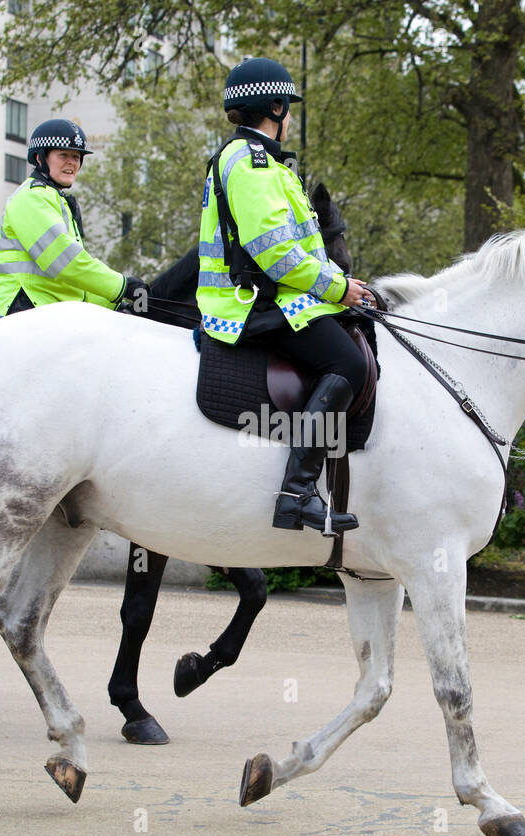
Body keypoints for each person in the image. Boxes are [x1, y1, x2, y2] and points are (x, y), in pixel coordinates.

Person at [198, 57, 373, 535]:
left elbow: (301, 248)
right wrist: (339, 287)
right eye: (287, 107)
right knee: (349, 365)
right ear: (273, 106)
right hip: (252, 302)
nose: (289, 116)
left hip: (276, 294)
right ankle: (296, 494)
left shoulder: (266, 163)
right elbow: (277, 255)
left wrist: (344, 292)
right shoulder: (252, 164)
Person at [0, 118, 148, 325]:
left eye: (76, 157)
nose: (72, 163)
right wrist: (122, 286)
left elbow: (73, 283)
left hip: (43, 308)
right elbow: (67, 263)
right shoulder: (31, 198)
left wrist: (115, 304)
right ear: (40, 159)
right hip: (16, 311)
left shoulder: (58, 200)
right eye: (63, 155)